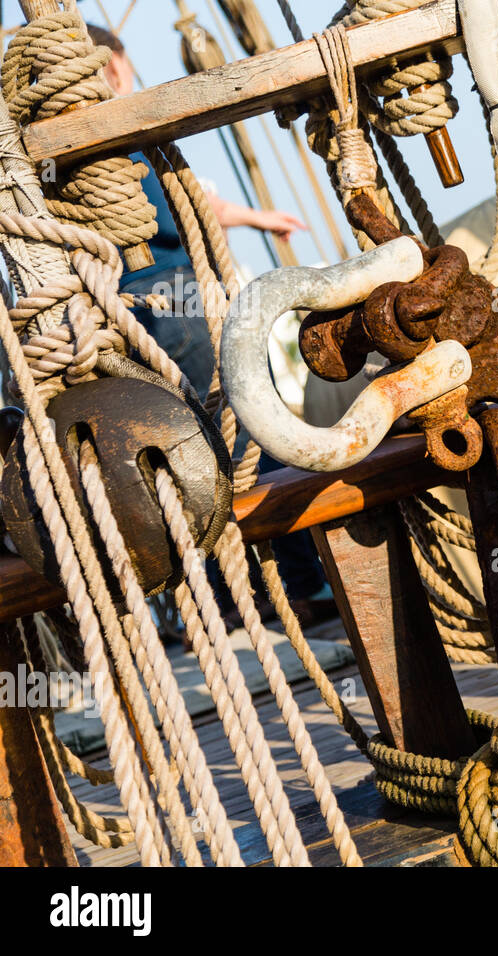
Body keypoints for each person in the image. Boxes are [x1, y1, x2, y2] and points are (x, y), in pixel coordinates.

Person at [88, 24, 338, 630]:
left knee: (180, 461)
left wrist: (256, 216)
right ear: (116, 67)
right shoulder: (130, 138)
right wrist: (254, 219)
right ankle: (305, 586)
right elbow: (192, 204)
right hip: (181, 310)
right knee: (253, 436)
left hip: (117, 321)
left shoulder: (65, 166)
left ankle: (226, 601)